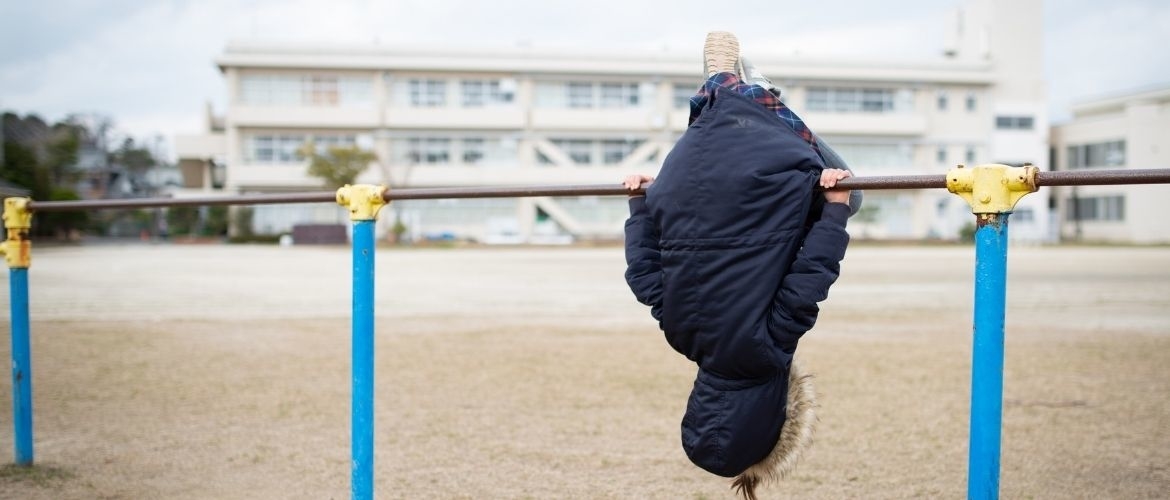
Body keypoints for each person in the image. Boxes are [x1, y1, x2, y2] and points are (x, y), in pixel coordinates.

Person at [622, 31, 858, 500]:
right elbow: (642, 274)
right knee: (713, 127)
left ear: (771, 414)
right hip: (681, 178)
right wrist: (639, 204)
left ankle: (763, 96)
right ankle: (722, 87)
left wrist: (835, 207)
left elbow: (811, 276)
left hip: (762, 181)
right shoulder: (683, 339)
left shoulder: (767, 351)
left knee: (853, 193)